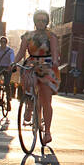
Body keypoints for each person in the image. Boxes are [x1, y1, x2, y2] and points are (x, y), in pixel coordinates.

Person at [16, 10, 60, 144]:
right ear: (34, 21)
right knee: (28, 83)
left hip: (47, 65)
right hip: (31, 63)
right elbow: (21, 52)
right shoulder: (27, 36)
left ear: (47, 22)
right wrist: (13, 63)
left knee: (46, 100)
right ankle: (29, 106)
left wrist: (55, 61)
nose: (41, 22)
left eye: (43, 20)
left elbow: (54, 52)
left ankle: (47, 132)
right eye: (38, 20)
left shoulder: (51, 36)